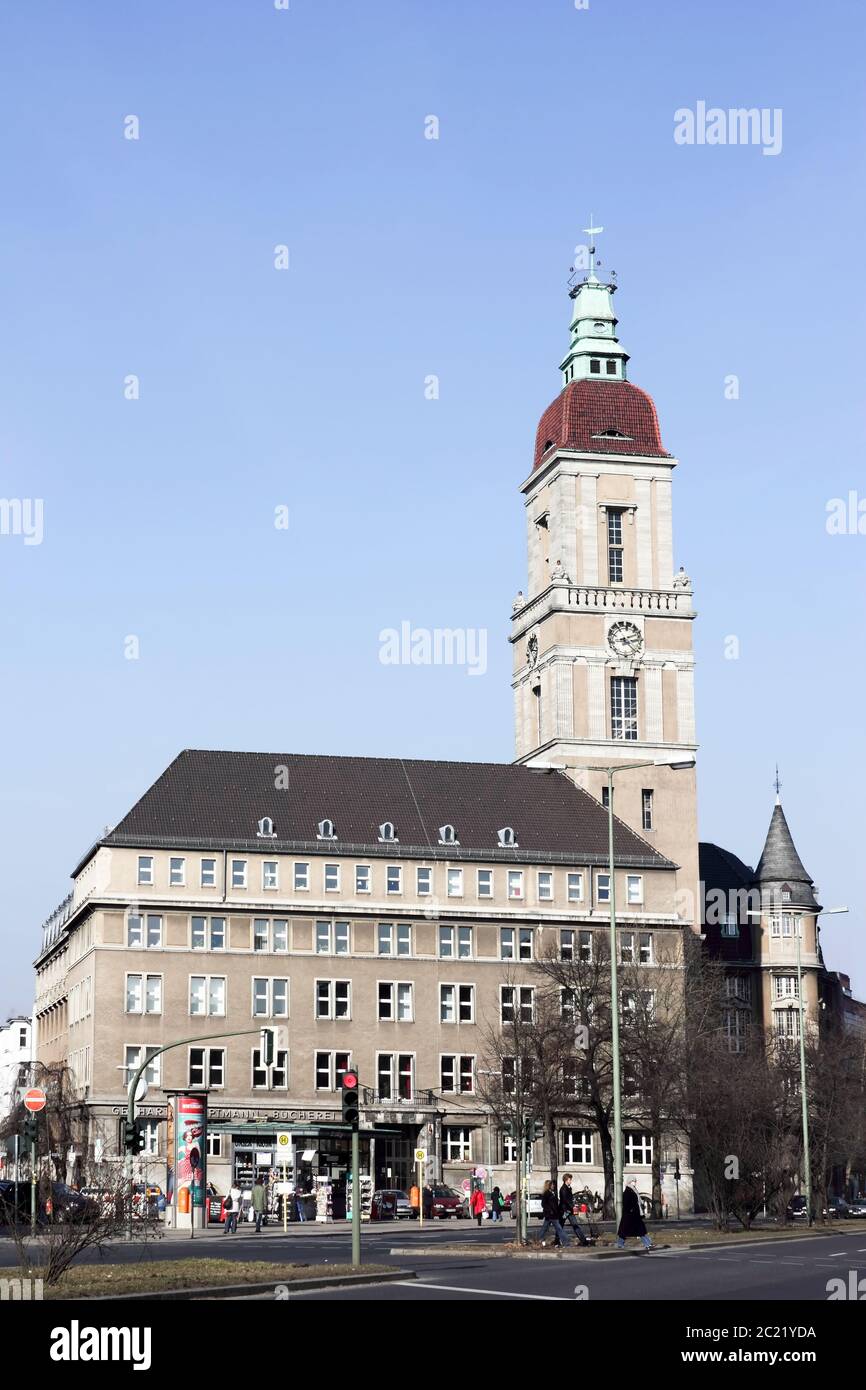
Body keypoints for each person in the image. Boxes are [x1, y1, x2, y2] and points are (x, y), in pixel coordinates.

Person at [615, 1180, 654, 1250]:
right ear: (630, 1182)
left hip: (635, 1215)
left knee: (640, 1230)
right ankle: (620, 1244)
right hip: (630, 1215)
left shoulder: (634, 1191)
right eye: (633, 1181)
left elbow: (637, 1202)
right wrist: (631, 1210)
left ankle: (648, 1244)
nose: (635, 1182)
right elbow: (626, 1204)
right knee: (626, 1231)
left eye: (635, 1181)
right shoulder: (627, 1192)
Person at [558, 1173, 589, 1245]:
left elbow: (570, 1199)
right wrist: (573, 1206)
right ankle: (558, 1240)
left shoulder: (569, 1188)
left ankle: (584, 1241)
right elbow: (565, 1200)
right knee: (560, 1226)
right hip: (564, 1210)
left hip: (569, 1210)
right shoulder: (563, 1189)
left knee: (575, 1225)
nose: (571, 1181)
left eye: (571, 1179)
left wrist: (573, 1205)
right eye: (570, 1179)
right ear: (566, 1180)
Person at [538, 1179, 569, 1248]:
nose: (553, 1186)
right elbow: (543, 1204)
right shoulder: (546, 1193)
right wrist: (550, 1210)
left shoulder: (552, 1193)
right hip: (550, 1214)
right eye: (552, 1185)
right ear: (548, 1186)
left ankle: (539, 1239)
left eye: (553, 1184)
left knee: (545, 1228)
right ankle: (566, 1242)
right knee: (559, 1228)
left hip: (553, 1214)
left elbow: (555, 1204)